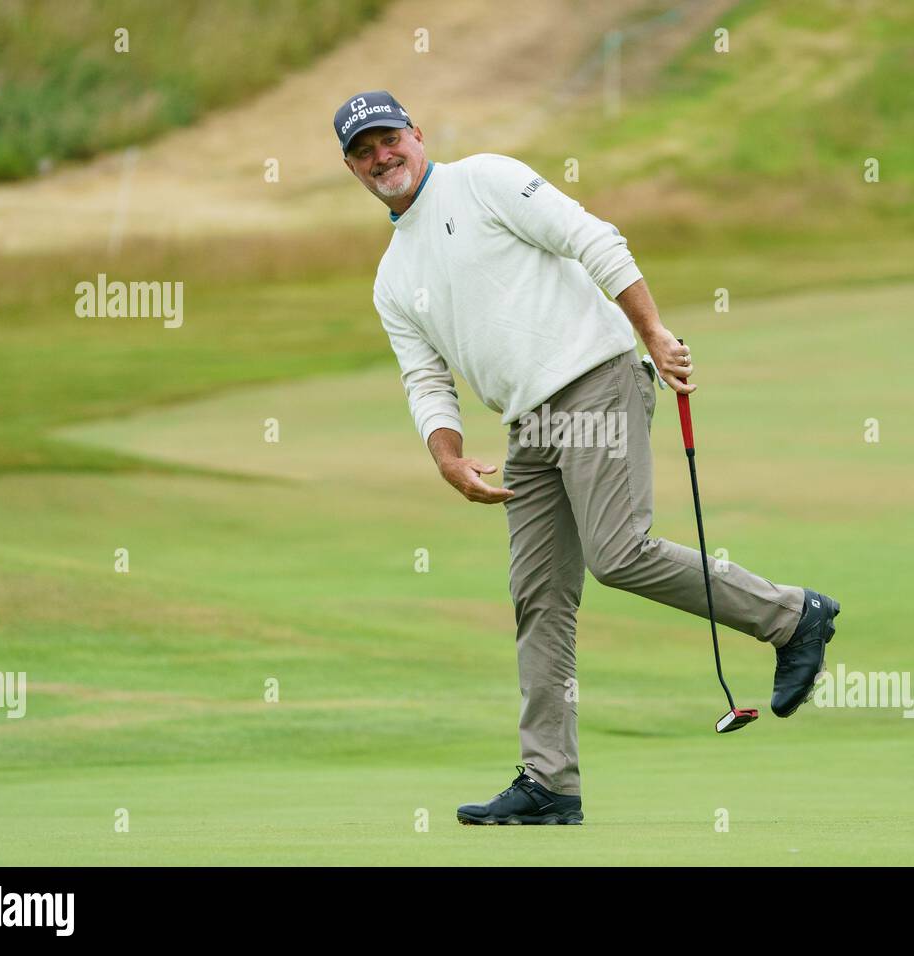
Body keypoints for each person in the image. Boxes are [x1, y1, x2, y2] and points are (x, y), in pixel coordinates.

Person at [334, 90, 840, 825]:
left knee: (618, 552)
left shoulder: (485, 180)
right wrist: (447, 457)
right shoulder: (390, 278)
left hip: (594, 379)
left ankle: (793, 617)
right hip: (526, 426)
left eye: (388, 139)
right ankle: (550, 783)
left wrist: (654, 331)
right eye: (362, 151)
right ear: (352, 167)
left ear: (416, 133)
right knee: (538, 597)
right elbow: (425, 378)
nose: (381, 157)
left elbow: (590, 236)